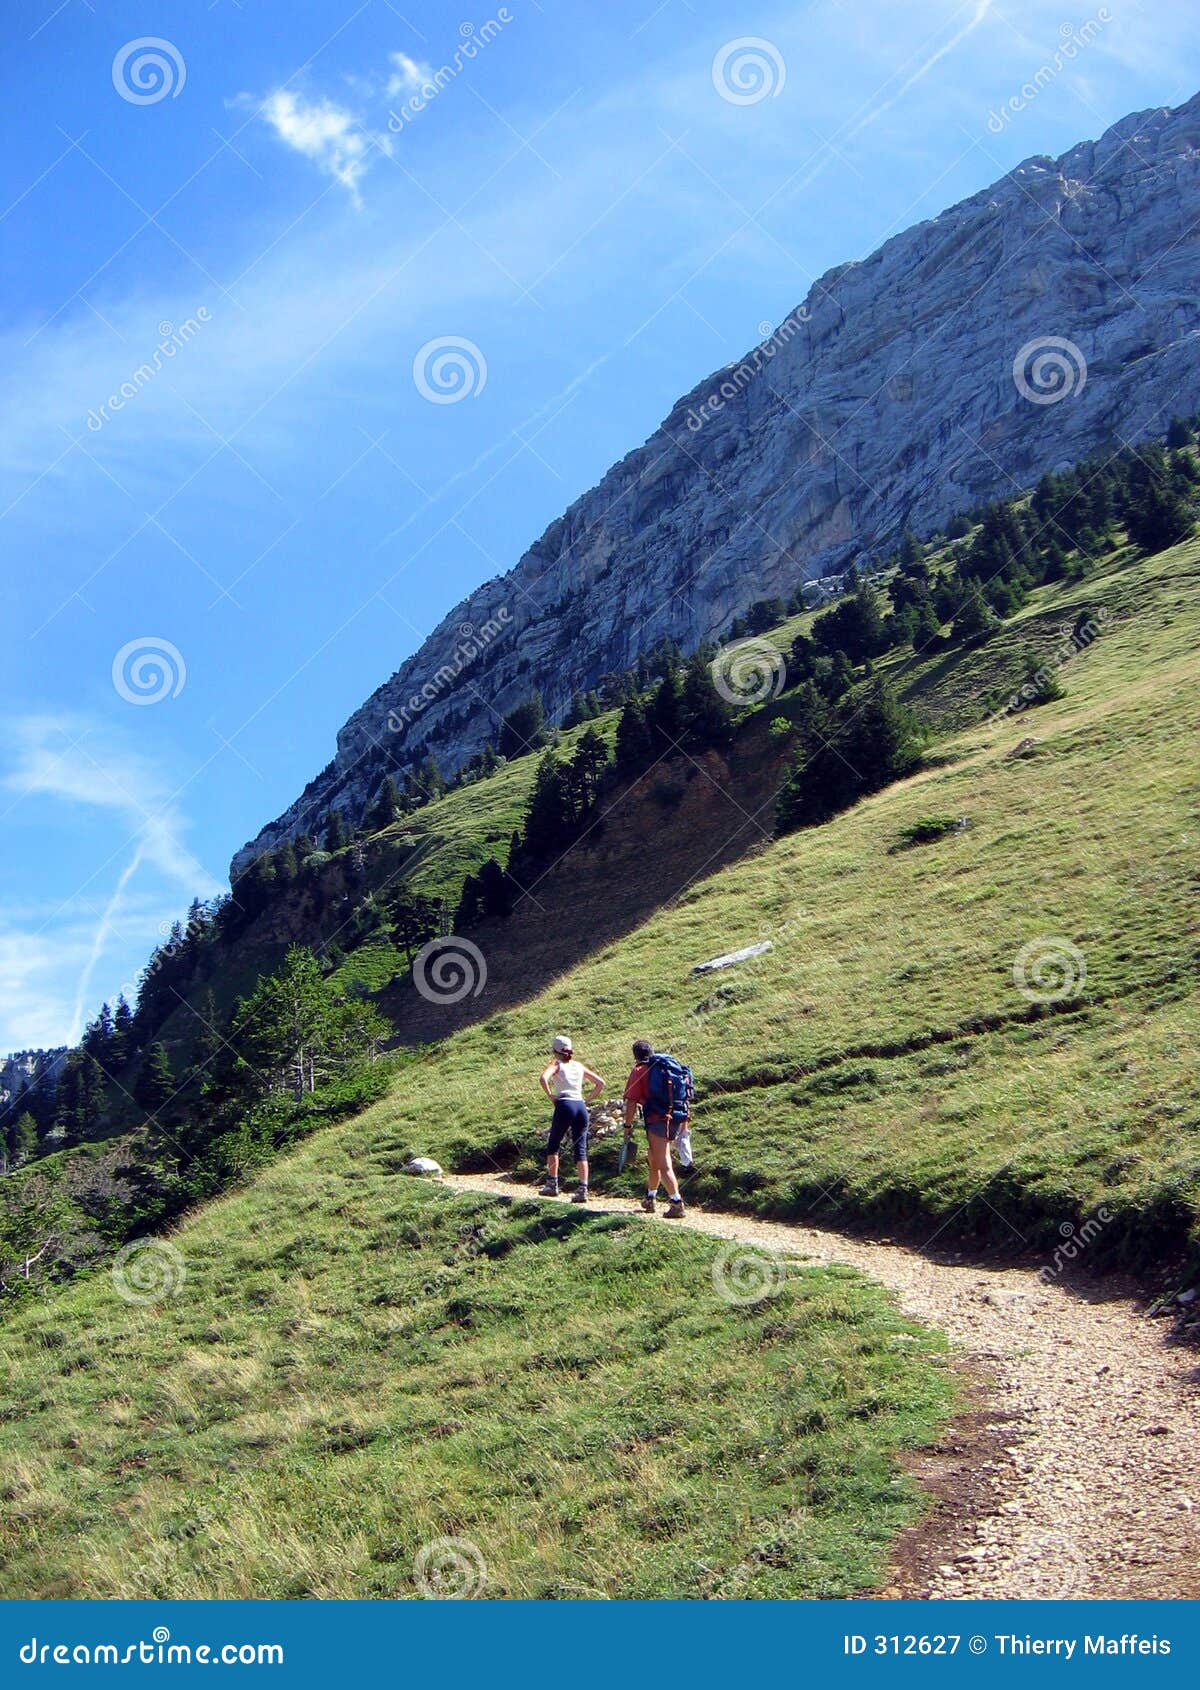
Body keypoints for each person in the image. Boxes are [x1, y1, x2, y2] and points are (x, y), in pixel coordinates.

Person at [623, 1037, 686, 1218]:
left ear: (635, 1055)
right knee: (654, 1158)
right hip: (674, 1117)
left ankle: (676, 1203)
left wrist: (628, 1126)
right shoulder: (664, 1067)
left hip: (657, 1119)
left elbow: (632, 1102)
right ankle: (650, 1197)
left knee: (664, 1162)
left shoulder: (639, 1071)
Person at [539, 1035, 604, 1203]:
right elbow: (600, 1083)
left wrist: (551, 1096)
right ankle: (583, 1188)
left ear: (555, 1051)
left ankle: (552, 1184)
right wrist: (587, 1100)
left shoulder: (556, 1064)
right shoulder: (578, 1065)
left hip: (564, 1103)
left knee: (554, 1144)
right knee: (580, 1148)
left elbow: (543, 1078)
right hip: (580, 1106)